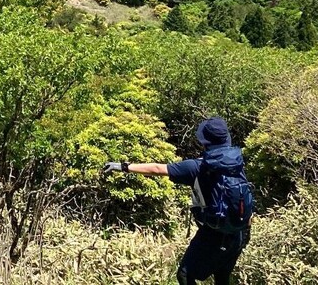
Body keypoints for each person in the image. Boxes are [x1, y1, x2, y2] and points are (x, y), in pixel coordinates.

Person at [102, 116, 252, 284]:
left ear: (204, 142)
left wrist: (123, 166)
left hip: (213, 233)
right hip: (239, 230)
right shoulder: (237, 163)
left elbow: (157, 169)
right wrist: (245, 232)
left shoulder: (197, 167)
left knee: (185, 274)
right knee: (222, 276)